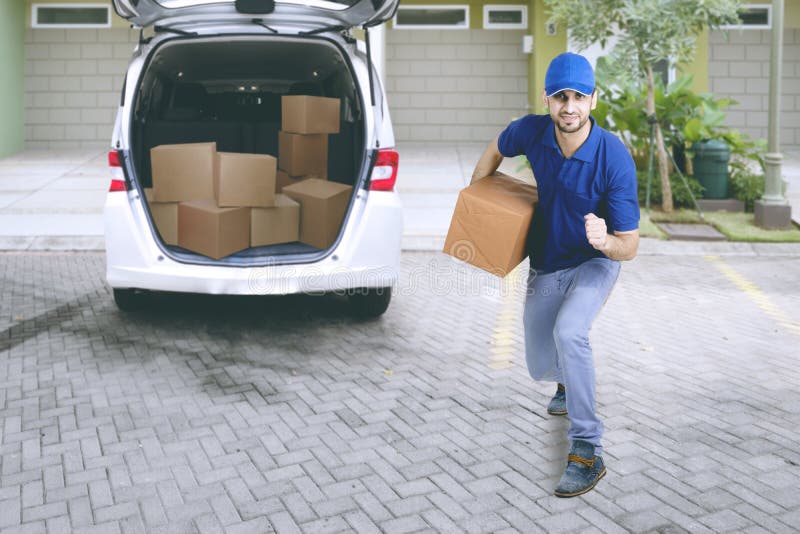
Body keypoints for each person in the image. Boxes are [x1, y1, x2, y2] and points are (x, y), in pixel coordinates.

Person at [470, 52, 640, 497]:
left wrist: (605, 241)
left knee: (571, 331)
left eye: (579, 97)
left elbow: (630, 246)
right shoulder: (532, 130)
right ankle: (565, 380)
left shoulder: (614, 158)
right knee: (538, 363)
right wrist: (479, 193)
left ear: (593, 101)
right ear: (547, 99)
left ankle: (587, 450)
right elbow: (496, 147)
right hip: (546, 260)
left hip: (594, 262)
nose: (569, 106)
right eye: (560, 97)